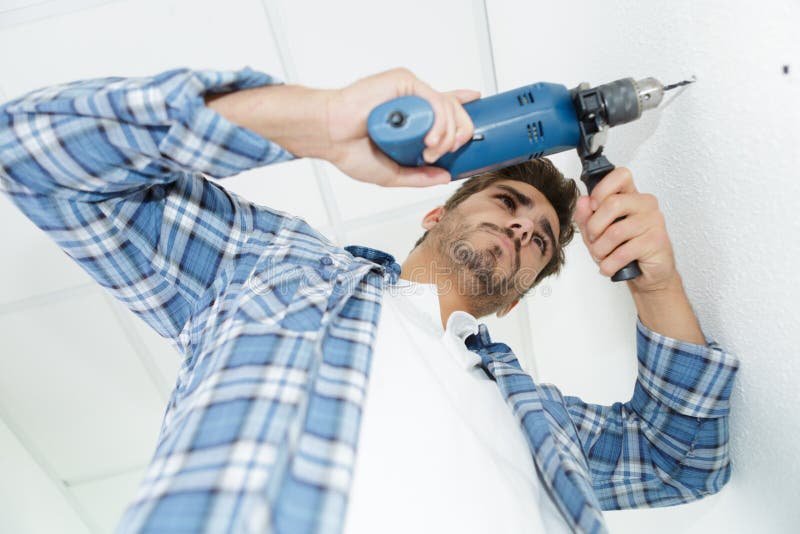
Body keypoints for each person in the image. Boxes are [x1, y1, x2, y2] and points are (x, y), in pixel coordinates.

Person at [0, 66, 738, 534]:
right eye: (509, 201)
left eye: (542, 240)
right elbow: (33, 156)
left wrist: (659, 283)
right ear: (435, 213)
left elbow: (682, 460)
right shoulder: (266, 268)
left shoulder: (540, 418)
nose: (523, 226)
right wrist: (317, 123)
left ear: (513, 302)